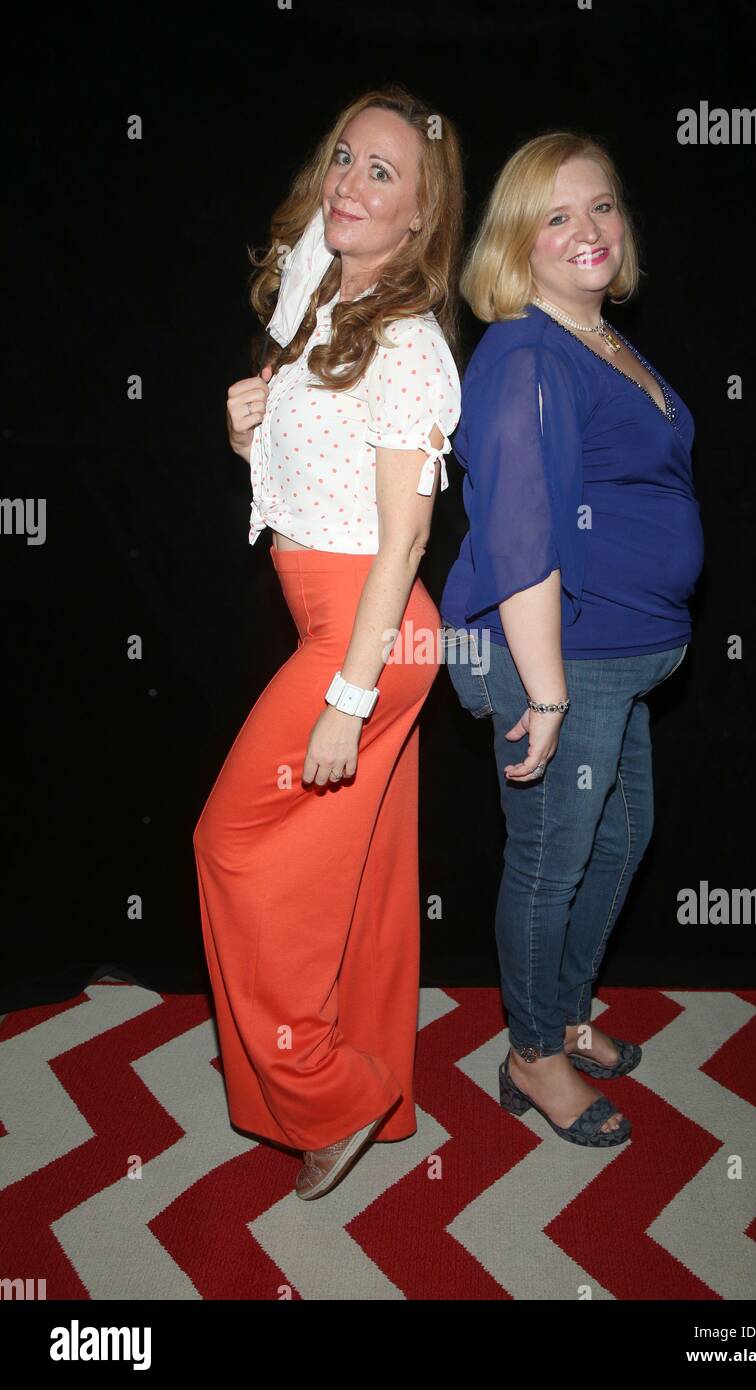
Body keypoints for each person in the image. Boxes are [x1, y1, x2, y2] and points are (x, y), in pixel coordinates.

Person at [193, 85, 463, 1199]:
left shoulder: (402, 337)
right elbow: (320, 470)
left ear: (419, 218)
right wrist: (245, 420)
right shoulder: (319, 302)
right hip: (347, 623)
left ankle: (323, 1085)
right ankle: (370, 1082)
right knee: (363, 881)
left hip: (372, 634)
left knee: (229, 846)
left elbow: (405, 535)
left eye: (385, 173)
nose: (353, 183)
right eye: (346, 157)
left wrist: (349, 699)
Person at [440, 131, 704, 1147]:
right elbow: (518, 529)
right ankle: (531, 1052)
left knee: (620, 838)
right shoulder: (524, 351)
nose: (585, 229)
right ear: (518, 240)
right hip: (563, 658)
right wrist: (543, 694)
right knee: (551, 861)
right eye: (555, 214)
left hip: (615, 654)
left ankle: (561, 1012)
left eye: (600, 206)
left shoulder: (601, 340)